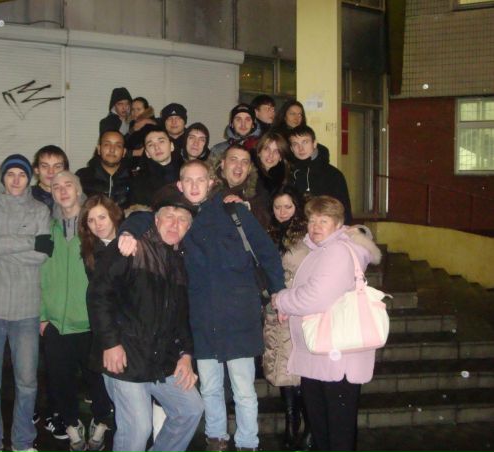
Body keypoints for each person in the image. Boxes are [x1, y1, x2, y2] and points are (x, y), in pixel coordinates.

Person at [118, 160, 285, 452]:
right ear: (180, 185)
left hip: (239, 316)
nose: (194, 186)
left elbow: (266, 251)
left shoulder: (234, 212)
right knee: (209, 386)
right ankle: (216, 437)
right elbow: (147, 218)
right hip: (201, 319)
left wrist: (278, 292)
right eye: (188, 180)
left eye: (200, 180)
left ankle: (248, 443)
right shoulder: (181, 217)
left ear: (211, 182)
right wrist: (127, 231)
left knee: (244, 389)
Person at [88, 185, 204, 452]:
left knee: (190, 408)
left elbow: (181, 316)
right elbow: (98, 294)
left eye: (182, 220)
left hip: (160, 358)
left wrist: (186, 354)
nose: (175, 224)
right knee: (138, 428)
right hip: (125, 356)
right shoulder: (131, 247)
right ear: (156, 219)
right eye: (169, 216)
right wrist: (110, 343)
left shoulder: (179, 262)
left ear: (188, 227)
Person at [273, 196, 382, 452]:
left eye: (324, 221)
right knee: (325, 428)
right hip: (323, 356)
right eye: (312, 220)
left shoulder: (337, 251)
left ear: (338, 224)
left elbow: (317, 296)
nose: (315, 226)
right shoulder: (323, 250)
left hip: (335, 357)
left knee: (336, 431)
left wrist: (282, 300)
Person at [0, 154, 52, 452]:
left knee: (27, 381)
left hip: (26, 309)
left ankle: (22, 441)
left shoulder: (40, 210)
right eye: (10, 174)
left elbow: (43, 254)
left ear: (29, 178)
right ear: (2, 176)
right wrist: (28, 242)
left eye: (22, 174)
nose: (16, 180)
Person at [39, 170, 93, 452]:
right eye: (56, 187)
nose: (62, 190)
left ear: (78, 189)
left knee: (97, 380)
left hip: (89, 322)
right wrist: (42, 315)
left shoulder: (93, 224)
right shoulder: (46, 229)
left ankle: (100, 425)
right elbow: (39, 272)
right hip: (56, 323)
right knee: (60, 382)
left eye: (67, 185)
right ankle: (72, 427)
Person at [264, 186, 311, 452]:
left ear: (297, 208)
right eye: (277, 207)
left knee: (302, 371)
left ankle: (310, 425)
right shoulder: (270, 233)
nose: (282, 212)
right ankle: (292, 421)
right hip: (276, 308)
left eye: (287, 207)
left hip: (300, 308)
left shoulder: (308, 234)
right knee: (284, 369)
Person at [79, 194, 124, 452]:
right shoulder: (92, 252)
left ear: (113, 215)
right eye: (91, 220)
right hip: (111, 332)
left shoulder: (132, 236)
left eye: (102, 217)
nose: (98, 224)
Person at [288, 125, 353, 224]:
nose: (301, 148)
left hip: (326, 229)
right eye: (295, 144)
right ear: (291, 149)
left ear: (314, 144)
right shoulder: (289, 174)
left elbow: (344, 213)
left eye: (305, 142)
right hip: (295, 229)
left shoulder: (333, 175)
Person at [214, 144, 272, 229]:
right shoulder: (206, 185)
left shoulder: (257, 192)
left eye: (244, 162)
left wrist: (244, 209)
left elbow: (264, 222)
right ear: (222, 163)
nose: (239, 166)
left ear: (249, 169)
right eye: (233, 160)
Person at [129, 125, 182, 208]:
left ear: (172, 146)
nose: (157, 147)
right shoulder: (140, 182)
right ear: (147, 153)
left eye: (161, 141)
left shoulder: (187, 173)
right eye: (150, 145)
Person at [76, 130, 131, 208]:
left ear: (124, 152)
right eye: (107, 144)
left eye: (118, 146)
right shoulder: (82, 176)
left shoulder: (134, 179)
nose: (112, 150)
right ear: (99, 149)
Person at [31, 145, 69, 210]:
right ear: (36, 170)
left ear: (65, 171)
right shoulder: (26, 196)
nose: (51, 172)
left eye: (57, 167)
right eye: (45, 166)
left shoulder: (74, 197)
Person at [254, 132, 291, 196]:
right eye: (267, 149)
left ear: (281, 157)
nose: (271, 155)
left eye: (276, 151)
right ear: (259, 152)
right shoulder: (247, 174)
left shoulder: (287, 181)